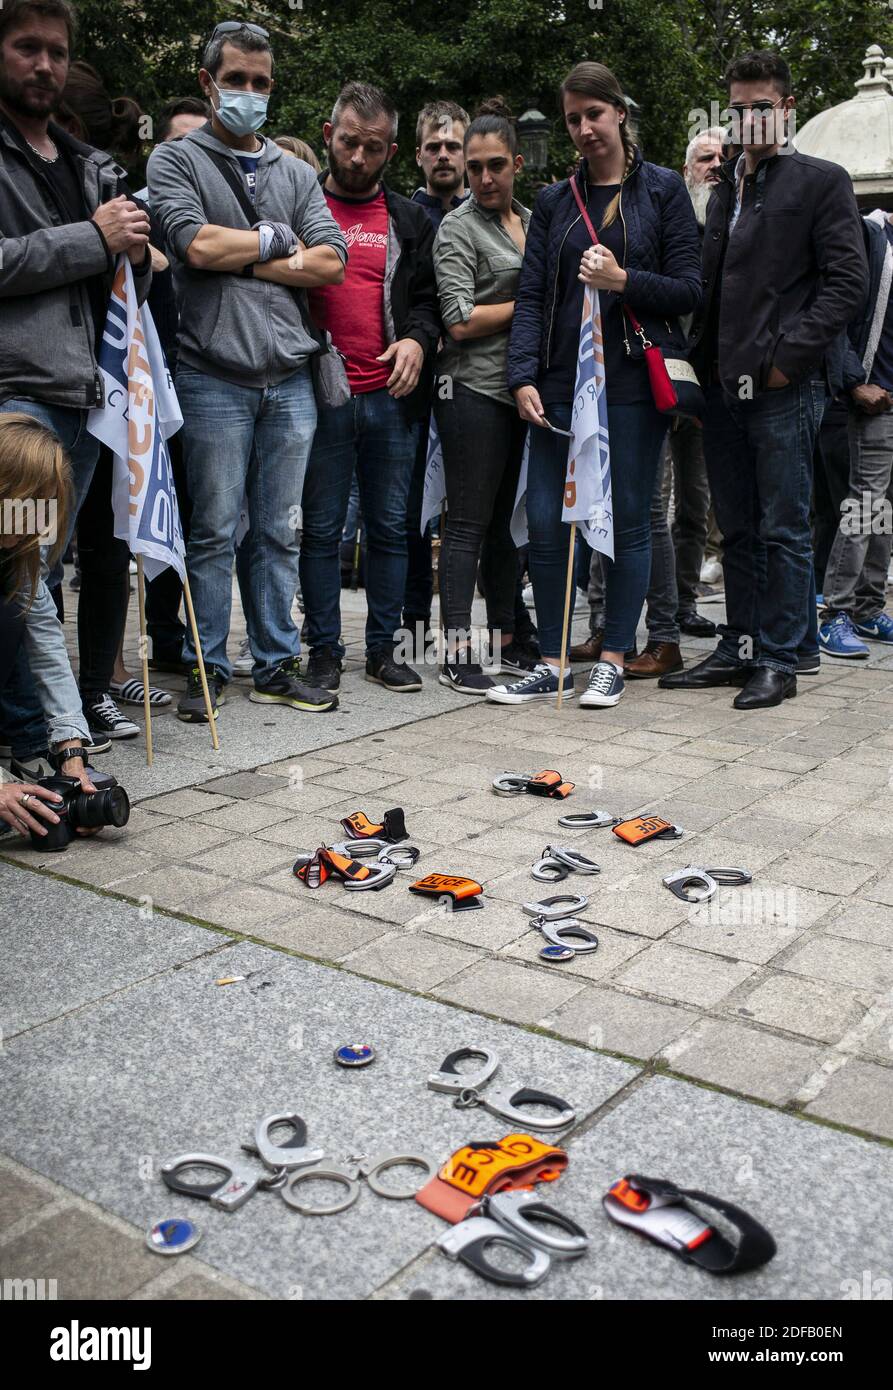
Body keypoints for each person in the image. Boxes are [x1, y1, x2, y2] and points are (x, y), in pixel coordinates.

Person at [148, 20, 348, 721]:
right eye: (237, 80)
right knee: (212, 530)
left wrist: (249, 255)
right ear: (208, 83)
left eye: (261, 83)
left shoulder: (295, 172)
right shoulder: (174, 160)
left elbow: (331, 260)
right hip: (212, 375)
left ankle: (273, 665)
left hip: (290, 379)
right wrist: (272, 239)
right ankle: (206, 671)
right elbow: (193, 245)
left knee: (278, 530)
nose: (250, 94)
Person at [489, 61, 702, 708]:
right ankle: (551, 661)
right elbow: (530, 297)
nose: (583, 129)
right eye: (572, 119)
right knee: (553, 525)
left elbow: (690, 289)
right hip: (559, 383)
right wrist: (520, 374)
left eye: (593, 114)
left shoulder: (662, 191)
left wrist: (622, 280)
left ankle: (612, 655)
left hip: (633, 382)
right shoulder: (555, 200)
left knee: (628, 520)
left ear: (619, 113)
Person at [661, 50, 869, 708]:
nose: (747, 119)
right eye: (738, 108)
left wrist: (788, 359)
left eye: (760, 107)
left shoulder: (819, 181)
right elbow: (712, 287)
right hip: (723, 387)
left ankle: (781, 656)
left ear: (784, 108)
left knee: (783, 525)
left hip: (781, 387)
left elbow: (846, 284)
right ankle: (741, 646)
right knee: (739, 526)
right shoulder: (725, 188)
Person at [0, 0, 151, 778]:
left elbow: (124, 288)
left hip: (85, 395)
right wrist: (92, 239)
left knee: (40, 576)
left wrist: (138, 259)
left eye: (56, 51)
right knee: (18, 575)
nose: (44, 65)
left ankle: (49, 738)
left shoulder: (86, 161)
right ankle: (39, 742)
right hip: (16, 399)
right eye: (26, 48)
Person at [298, 82, 441, 696]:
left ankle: (383, 650)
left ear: (393, 151)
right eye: (350, 143)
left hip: (390, 395)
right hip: (320, 394)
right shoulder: (301, 208)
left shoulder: (410, 218)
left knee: (390, 528)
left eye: (374, 148)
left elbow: (433, 304)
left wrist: (416, 339)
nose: (358, 159)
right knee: (323, 529)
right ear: (329, 135)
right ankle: (324, 651)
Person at [433, 100, 531, 693]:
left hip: (519, 391)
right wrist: (531, 309)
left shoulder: (532, 219)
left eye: (496, 165)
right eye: (475, 168)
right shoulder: (456, 227)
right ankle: (454, 650)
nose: (485, 178)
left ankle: (509, 638)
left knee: (502, 527)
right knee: (467, 522)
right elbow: (459, 319)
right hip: (469, 388)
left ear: (517, 163)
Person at [0, 415, 97, 836]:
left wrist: (72, 757)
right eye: (26, 504)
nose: (36, 522)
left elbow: (46, 645)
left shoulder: (18, 543)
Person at [141, 97, 210, 675]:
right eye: (178, 145)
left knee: (197, 513)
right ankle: (160, 637)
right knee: (153, 511)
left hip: (206, 382)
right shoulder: (134, 215)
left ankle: (187, 637)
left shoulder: (215, 216)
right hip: (146, 391)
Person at [402, 99, 470, 657]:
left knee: (470, 508)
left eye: (453, 146)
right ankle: (412, 620)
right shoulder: (404, 216)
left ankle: (471, 624)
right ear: (419, 154)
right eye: (434, 146)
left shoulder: (490, 214)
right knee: (411, 507)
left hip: (474, 381)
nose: (444, 155)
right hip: (417, 379)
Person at [818, 209, 893, 658]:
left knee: (884, 509)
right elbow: (832, 307)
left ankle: (867, 608)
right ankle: (836, 613)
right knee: (865, 505)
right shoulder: (868, 232)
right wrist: (852, 380)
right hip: (871, 396)